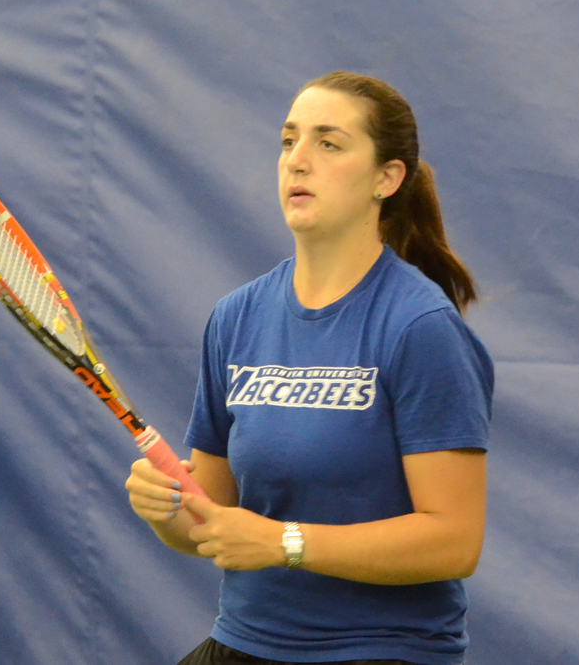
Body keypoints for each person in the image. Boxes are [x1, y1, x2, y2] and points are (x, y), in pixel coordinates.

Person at [125, 71, 494, 665]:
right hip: (244, 641)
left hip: (381, 651)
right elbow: (210, 521)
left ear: (386, 178)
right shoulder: (236, 317)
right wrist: (164, 510)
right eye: (289, 140)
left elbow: (454, 542)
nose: (298, 160)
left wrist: (286, 542)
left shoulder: (420, 327)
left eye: (329, 143)